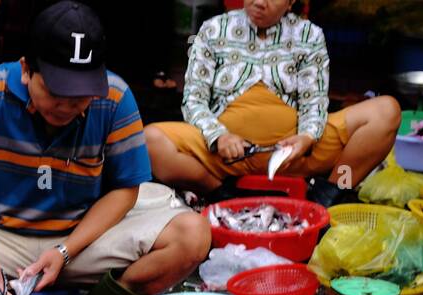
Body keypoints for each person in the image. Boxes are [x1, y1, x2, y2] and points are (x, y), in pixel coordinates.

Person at [0, 0, 211, 295]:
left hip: (82, 241)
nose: (69, 105)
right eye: (57, 92)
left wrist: (65, 251)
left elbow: (125, 191)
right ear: (26, 69)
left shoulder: (114, 97)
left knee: (193, 235)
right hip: (1, 236)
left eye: (81, 94)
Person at [144, 0, 401, 208]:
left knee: (386, 111)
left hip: (296, 154)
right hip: (222, 156)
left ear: (291, 2)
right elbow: (193, 100)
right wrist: (218, 136)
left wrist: (307, 137)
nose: (259, 2)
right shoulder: (212, 30)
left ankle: (332, 191)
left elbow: (314, 101)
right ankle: (220, 192)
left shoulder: (309, 34)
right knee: (150, 140)